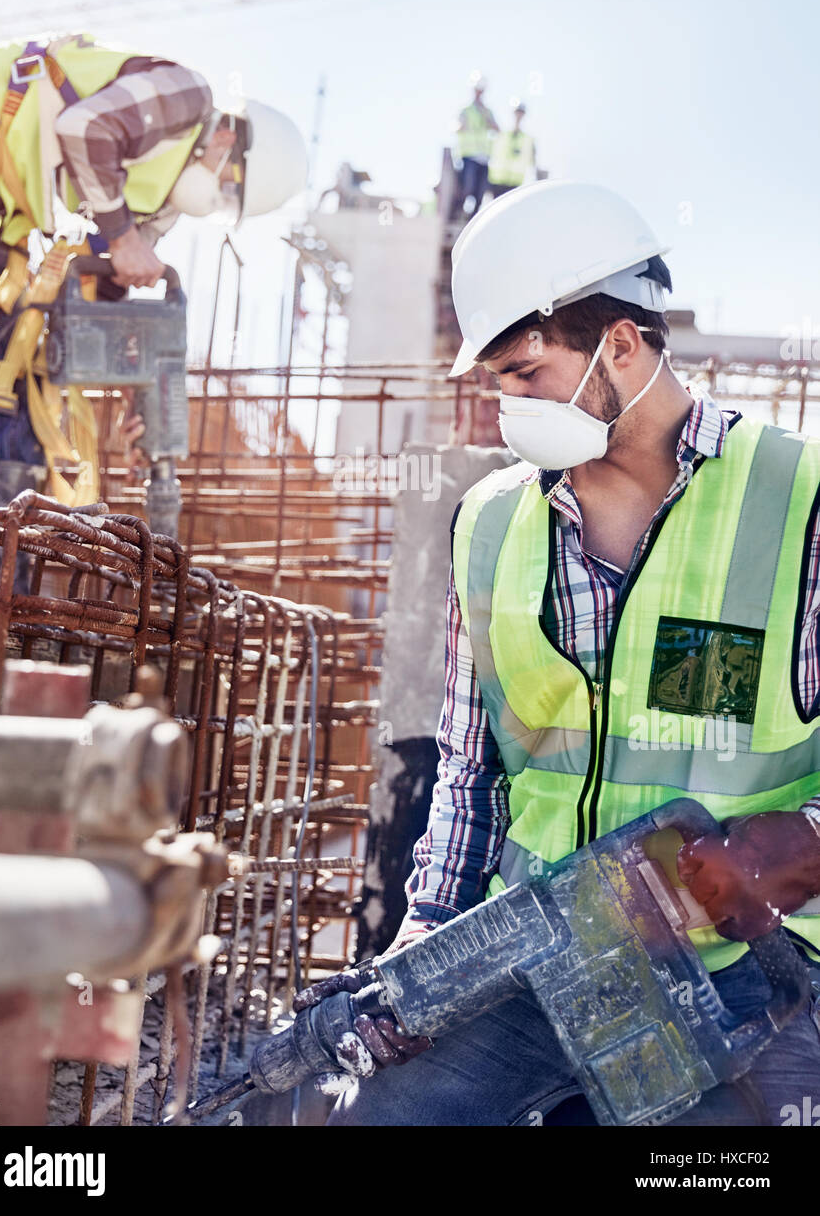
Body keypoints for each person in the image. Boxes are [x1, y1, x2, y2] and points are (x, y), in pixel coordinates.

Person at [299, 180, 820, 1125]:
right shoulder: (491, 526)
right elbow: (473, 774)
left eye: (526, 371)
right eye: (495, 378)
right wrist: (422, 966)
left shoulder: (800, 498)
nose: (507, 403)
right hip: (530, 964)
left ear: (621, 344)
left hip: (749, 975)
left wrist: (802, 844)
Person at [0, 32, 306, 590]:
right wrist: (120, 236)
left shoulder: (161, 206)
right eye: (229, 182)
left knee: (18, 380)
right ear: (226, 135)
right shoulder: (186, 95)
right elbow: (84, 129)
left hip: (0, 211)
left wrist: (120, 381)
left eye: (227, 202)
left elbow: (106, 296)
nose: (215, 196)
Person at [450, 72, 498, 220]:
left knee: (480, 193)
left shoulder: (487, 111)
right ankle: (457, 214)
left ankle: (472, 220)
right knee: (467, 189)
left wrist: (486, 116)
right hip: (469, 156)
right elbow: (457, 126)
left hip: (484, 158)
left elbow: (496, 129)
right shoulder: (466, 110)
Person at [486, 99, 537, 197]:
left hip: (515, 183)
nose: (519, 115)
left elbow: (533, 162)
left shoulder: (528, 140)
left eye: (521, 112)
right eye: (517, 112)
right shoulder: (501, 135)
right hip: (497, 181)